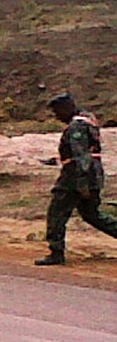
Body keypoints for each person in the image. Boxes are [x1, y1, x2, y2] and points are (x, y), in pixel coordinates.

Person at [37, 92, 115, 266]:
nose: (57, 116)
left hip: (75, 178)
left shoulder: (76, 127)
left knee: (57, 212)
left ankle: (56, 252)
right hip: (94, 175)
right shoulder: (88, 120)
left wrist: (81, 184)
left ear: (67, 108)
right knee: (92, 215)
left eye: (57, 112)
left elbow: (81, 157)